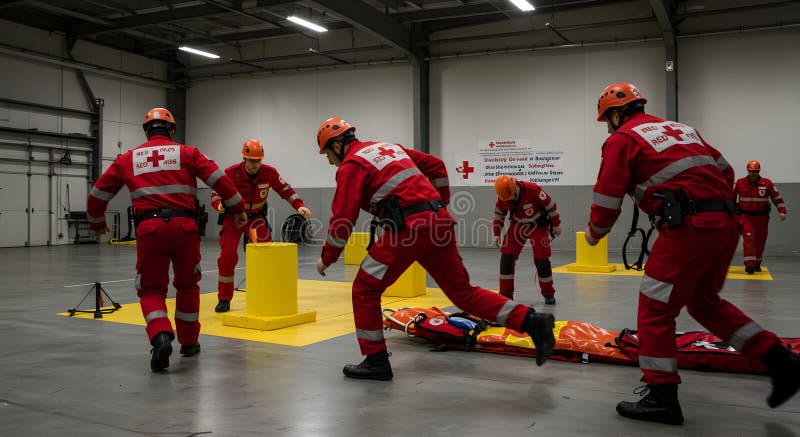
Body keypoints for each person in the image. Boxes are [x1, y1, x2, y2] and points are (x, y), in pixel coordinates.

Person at [585, 83, 800, 425]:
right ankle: (781, 362)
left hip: (689, 228)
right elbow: (726, 171)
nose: (607, 126)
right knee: (704, 303)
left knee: (655, 308)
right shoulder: (683, 130)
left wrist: (595, 234)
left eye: (606, 120)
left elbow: (607, 198)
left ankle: (662, 397)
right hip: (726, 221)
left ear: (614, 114)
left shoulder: (621, 139)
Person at [313, 117, 556, 380]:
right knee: (463, 292)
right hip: (439, 222)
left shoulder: (352, 165)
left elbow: (342, 217)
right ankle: (533, 322)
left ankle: (376, 361)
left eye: (327, 154)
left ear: (337, 145)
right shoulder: (388, 148)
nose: (329, 161)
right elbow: (436, 166)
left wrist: (328, 257)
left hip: (407, 230)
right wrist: (442, 204)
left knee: (364, 288)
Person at [87, 107, 247, 371]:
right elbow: (221, 180)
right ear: (172, 131)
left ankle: (161, 335)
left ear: (146, 132)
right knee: (187, 285)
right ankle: (188, 342)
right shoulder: (188, 153)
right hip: (185, 228)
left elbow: (97, 194)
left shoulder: (127, 159)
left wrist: (97, 221)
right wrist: (239, 210)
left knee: (151, 290)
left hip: (149, 230)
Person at [210, 139, 312, 313]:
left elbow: (285, 190)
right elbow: (216, 191)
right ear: (244, 158)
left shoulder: (269, 173)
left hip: (256, 220)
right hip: (234, 218)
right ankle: (224, 299)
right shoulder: (231, 173)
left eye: (258, 160)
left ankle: (269, 293)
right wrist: (218, 204)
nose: (255, 164)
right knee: (227, 257)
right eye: (252, 160)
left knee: (267, 255)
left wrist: (299, 205)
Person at [492, 175, 562, 304]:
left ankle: (548, 293)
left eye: (512, 196)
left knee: (542, 261)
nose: (510, 200)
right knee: (506, 258)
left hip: (537, 225)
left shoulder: (533, 191)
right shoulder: (503, 197)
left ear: (515, 188)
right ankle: (506, 294)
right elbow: (499, 215)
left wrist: (556, 224)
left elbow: (551, 206)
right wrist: (496, 233)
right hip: (517, 225)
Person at [734, 160, 787, 274]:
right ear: (747, 171)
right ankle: (749, 265)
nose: (753, 173)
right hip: (745, 216)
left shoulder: (767, 183)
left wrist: (782, 211)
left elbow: (777, 198)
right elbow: (730, 197)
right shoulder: (739, 183)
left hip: (762, 218)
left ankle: (757, 263)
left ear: (759, 171)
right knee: (749, 237)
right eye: (751, 171)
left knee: (760, 240)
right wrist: (730, 212)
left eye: (755, 171)